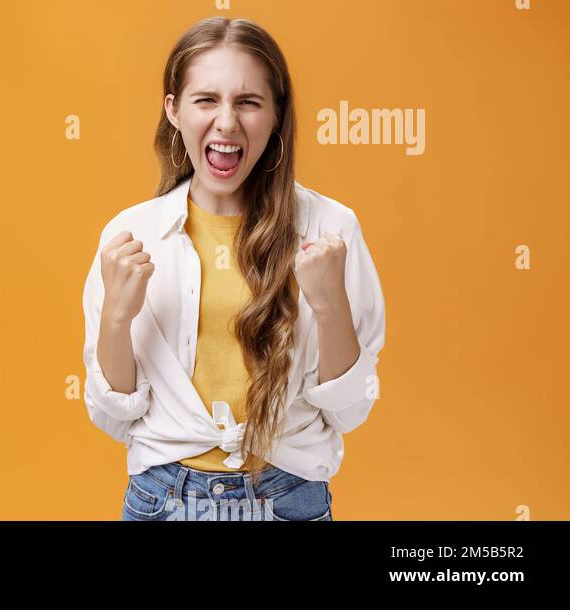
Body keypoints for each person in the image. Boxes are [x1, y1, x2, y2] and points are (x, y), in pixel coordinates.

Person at [81, 16, 386, 521]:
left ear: (276, 116)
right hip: (163, 501)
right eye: (206, 100)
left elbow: (350, 411)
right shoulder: (131, 235)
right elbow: (114, 418)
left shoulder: (332, 229)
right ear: (174, 111)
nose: (226, 122)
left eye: (248, 102)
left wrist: (331, 306)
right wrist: (116, 315)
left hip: (291, 499)